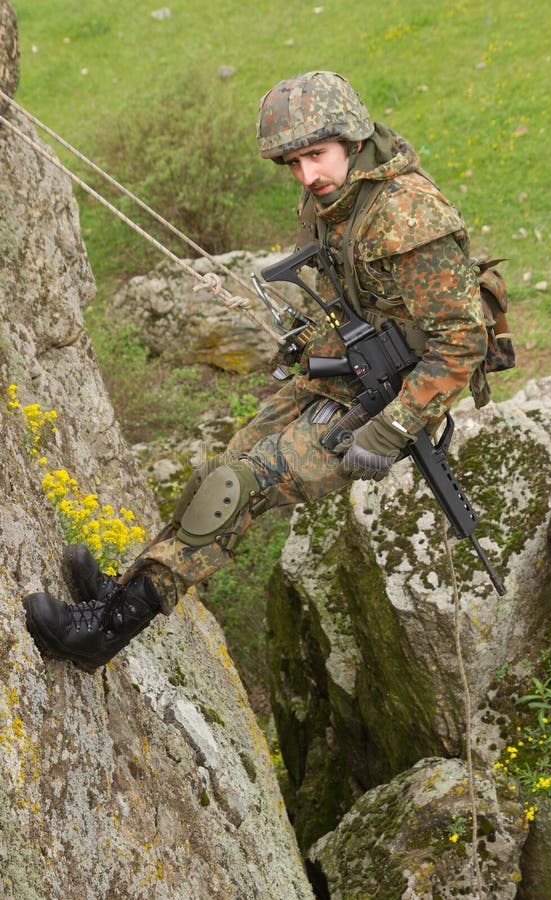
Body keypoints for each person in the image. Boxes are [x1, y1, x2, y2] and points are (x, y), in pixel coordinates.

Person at [23, 71, 487, 671]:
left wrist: (390, 429)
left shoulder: (410, 218)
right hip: (344, 371)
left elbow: (460, 344)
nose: (307, 176)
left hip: (397, 400)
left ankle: (106, 633)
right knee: (222, 471)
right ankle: (131, 584)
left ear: (352, 140)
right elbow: (353, 295)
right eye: (293, 162)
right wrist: (306, 349)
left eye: (316, 156)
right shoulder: (333, 199)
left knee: (246, 483)